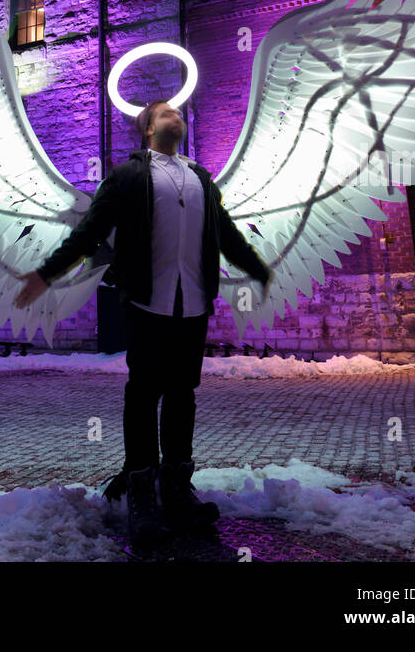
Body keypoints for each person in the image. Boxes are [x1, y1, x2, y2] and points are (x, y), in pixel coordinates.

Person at [14, 99, 274, 547]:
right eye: (166, 112)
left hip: (192, 302)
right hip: (147, 302)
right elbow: (90, 231)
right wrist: (47, 273)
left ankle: (176, 489)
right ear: (149, 129)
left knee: (182, 394)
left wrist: (256, 266)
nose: (177, 115)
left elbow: (226, 233)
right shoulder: (130, 175)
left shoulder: (201, 179)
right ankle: (141, 493)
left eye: (179, 111)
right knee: (143, 394)